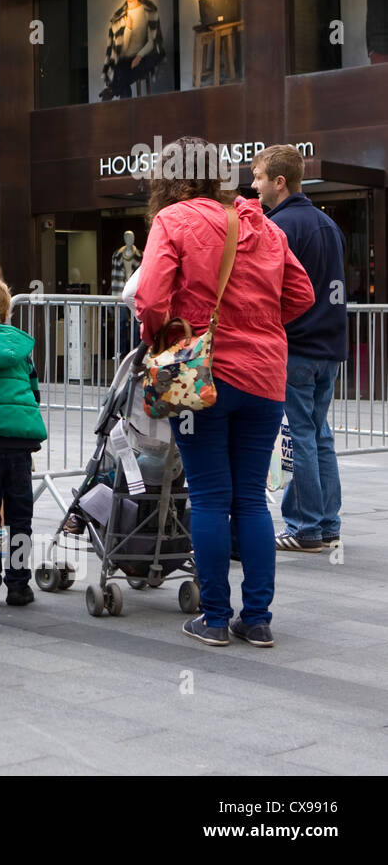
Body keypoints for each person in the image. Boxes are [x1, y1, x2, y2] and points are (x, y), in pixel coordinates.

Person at [136, 137, 314, 648]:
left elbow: (149, 299)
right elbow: (300, 294)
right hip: (264, 377)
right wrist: (258, 329)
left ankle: (214, 618)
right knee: (252, 501)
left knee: (210, 497)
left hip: (203, 377)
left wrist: (164, 338)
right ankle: (257, 620)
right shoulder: (262, 222)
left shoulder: (173, 220)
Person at [251, 144, 348, 553]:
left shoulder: (279, 227)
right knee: (318, 434)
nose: (252, 185)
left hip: (298, 348)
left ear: (279, 181)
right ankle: (326, 523)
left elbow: (268, 290)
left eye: (257, 177)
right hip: (331, 346)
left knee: (302, 435)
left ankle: (305, 527)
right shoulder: (329, 225)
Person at [0, 279, 47, 607]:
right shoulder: (20, 348)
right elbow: (34, 391)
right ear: (6, 311)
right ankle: (19, 585)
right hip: (18, 443)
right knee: (20, 516)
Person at [100, 0, 165, 100]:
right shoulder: (120, 17)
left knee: (149, 61)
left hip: (145, 55)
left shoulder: (148, 9)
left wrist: (139, 56)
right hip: (127, 58)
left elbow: (152, 41)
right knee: (119, 70)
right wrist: (128, 28)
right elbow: (122, 51)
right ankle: (125, 105)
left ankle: (112, 90)